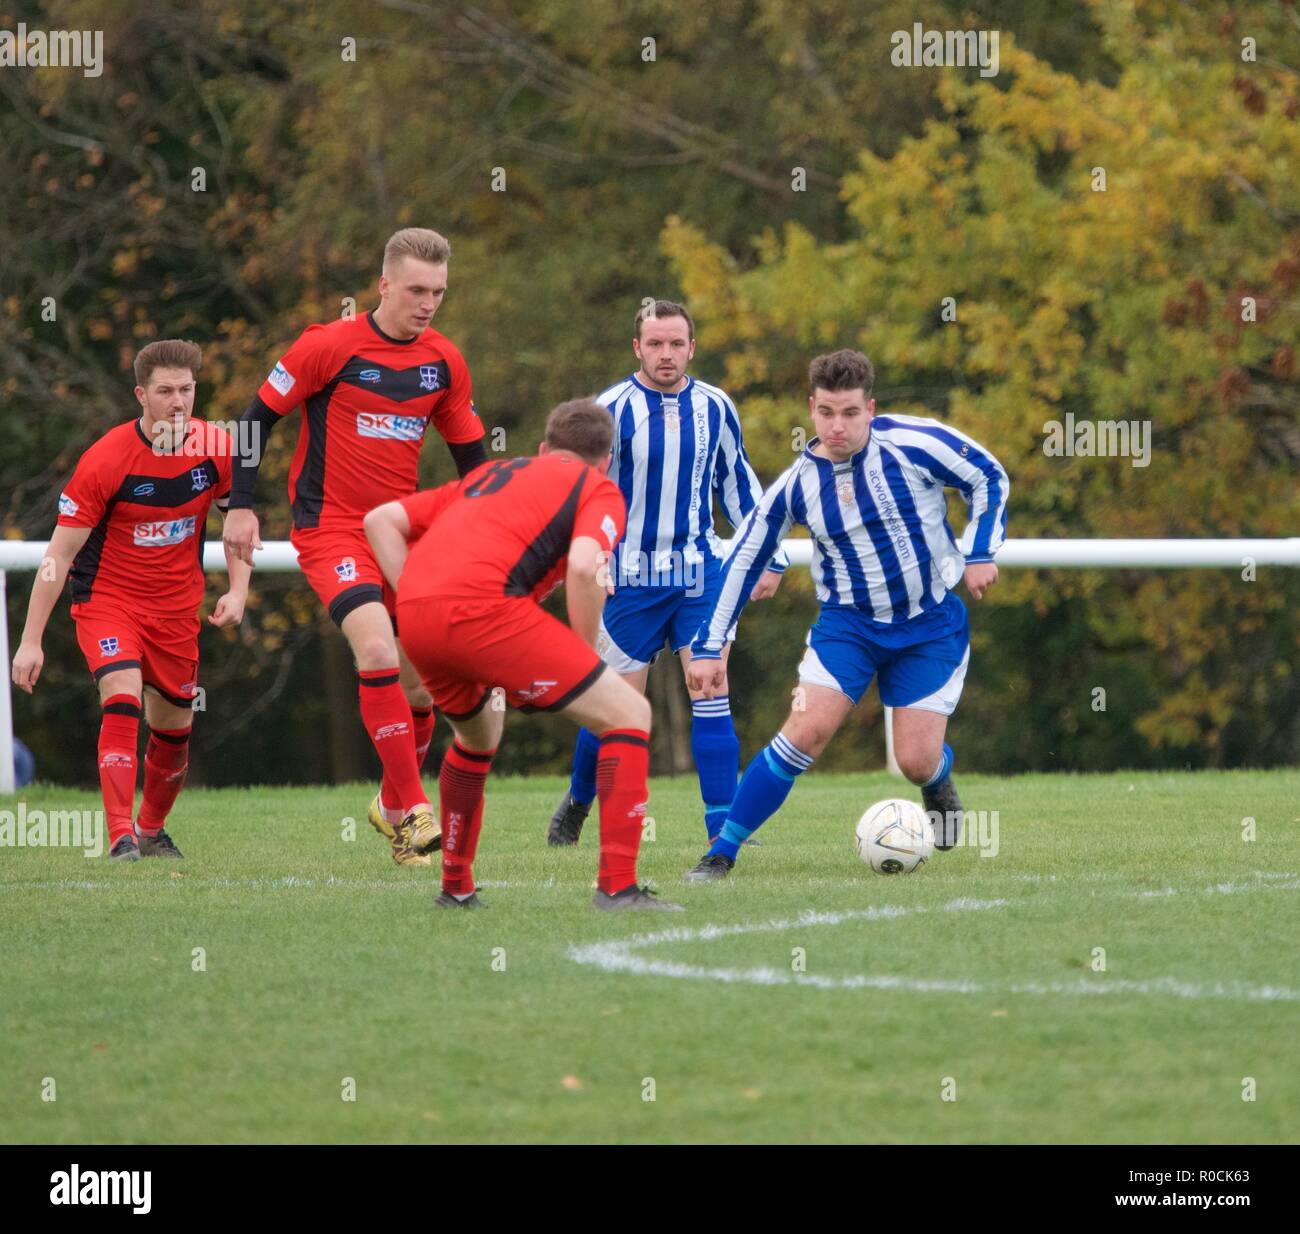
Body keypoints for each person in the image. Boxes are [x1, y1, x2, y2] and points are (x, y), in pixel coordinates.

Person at [682, 348, 1009, 880]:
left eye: (851, 413)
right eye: (827, 413)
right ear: (812, 409)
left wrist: (980, 551)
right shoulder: (796, 485)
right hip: (848, 628)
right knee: (804, 733)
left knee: (915, 761)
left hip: (929, 626)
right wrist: (710, 644)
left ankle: (937, 780)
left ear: (871, 409)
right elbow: (745, 557)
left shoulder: (916, 444)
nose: (839, 426)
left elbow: (988, 476)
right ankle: (721, 853)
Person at [222, 227, 488, 866]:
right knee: (375, 648)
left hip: (399, 532)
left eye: (439, 293)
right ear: (384, 285)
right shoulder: (329, 345)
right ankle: (416, 807)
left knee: (422, 684)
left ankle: (392, 809)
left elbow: (473, 462)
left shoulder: (445, 361)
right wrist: (239, 505)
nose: (427, 303)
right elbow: (254, 421)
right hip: (330, 529)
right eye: (417, 290)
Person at [365, 399, 684, 912]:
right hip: (484, 612)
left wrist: (421, 596)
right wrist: (584, 659)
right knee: (629, 714)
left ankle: (456, 886)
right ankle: (618, 888)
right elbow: (584, 567)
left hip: (418, 616)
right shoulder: (599, 487)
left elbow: (381, 520)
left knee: (478, 736)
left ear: (542, 449)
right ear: (606, 460)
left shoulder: (491, 473)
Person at [547, 300, 786, 848]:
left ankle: (721, 832)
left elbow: (738, 484)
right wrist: (583, 556)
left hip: (700, 574)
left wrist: (770, 555)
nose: (666, 354)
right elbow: (579, 490)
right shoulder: (609, 410)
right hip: (627, 579)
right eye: (655, 344)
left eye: (676, 344)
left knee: (710, 684)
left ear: (692, 348)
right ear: (637, 348)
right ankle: (580, 799)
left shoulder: (716, 406)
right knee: (616, 707)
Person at [10, 339, 249, 861]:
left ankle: (150, 829)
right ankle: (120, 835)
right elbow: (58, 556)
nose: (178, 402)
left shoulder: (217, 447)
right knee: (121, 695)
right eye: (165, 391)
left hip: (177, 611)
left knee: (174, 730)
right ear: (141, 394)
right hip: (108, 602)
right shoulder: (106, 460)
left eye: (186, 389)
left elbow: (240, 527)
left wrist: (238, 589)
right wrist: (30, 642)